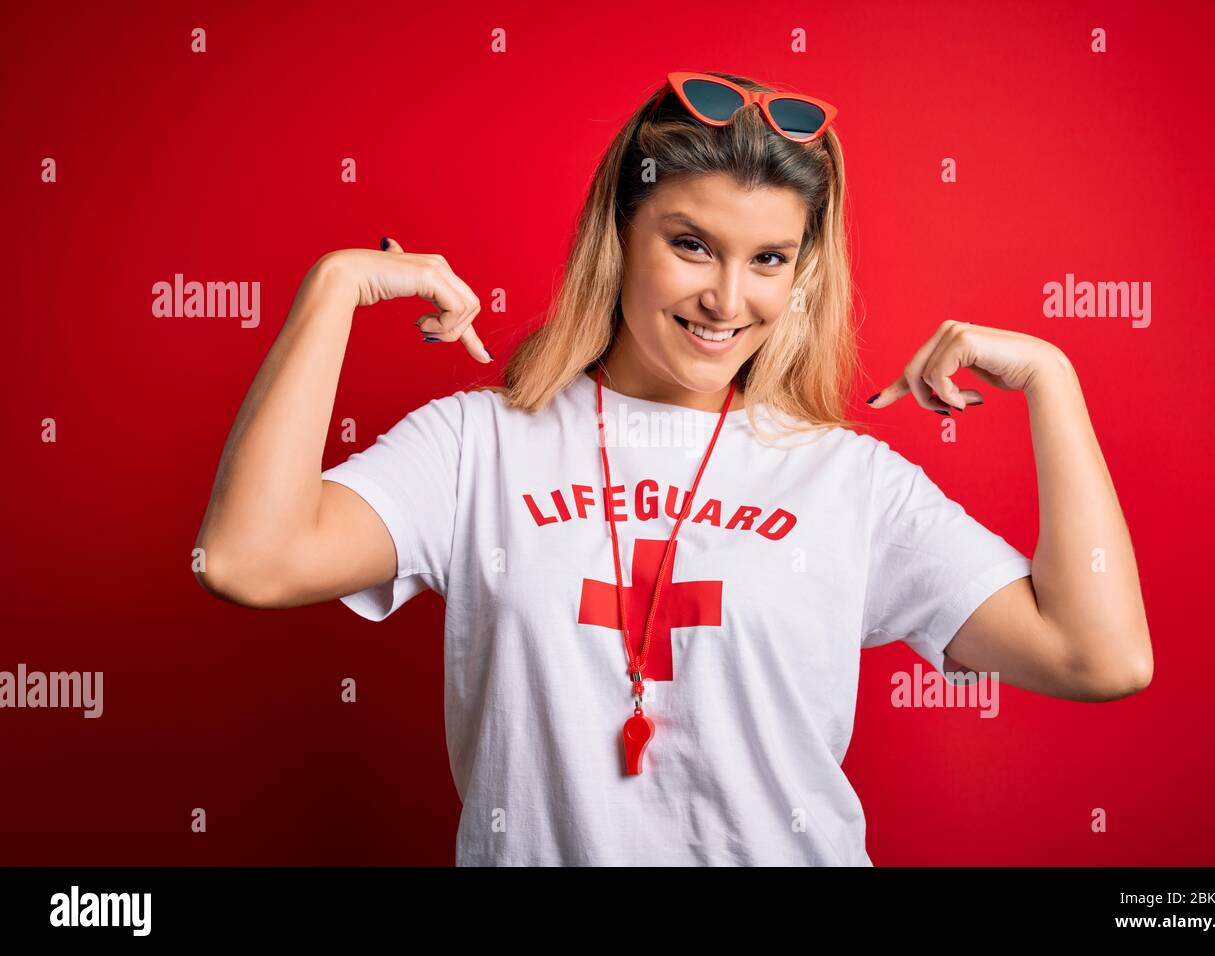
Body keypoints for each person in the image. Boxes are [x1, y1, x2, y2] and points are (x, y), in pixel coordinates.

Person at [193, 70, 1153, 866]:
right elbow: (248, 560)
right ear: (620, 239)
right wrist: (334, 289)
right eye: (691, 245)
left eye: (769, 258)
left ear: (801, 273)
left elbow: (1097, 654)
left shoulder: (847, 480)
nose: (727, 300)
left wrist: (1053, 381)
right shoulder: (478, 445)